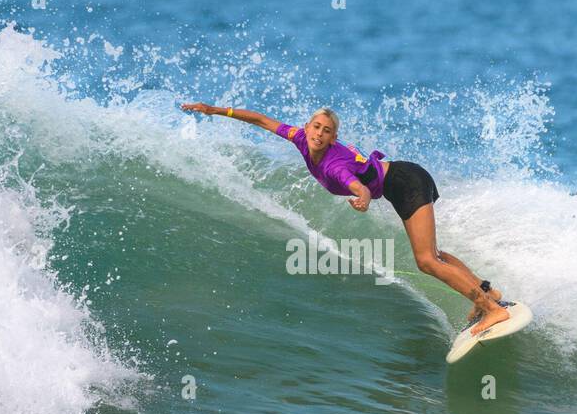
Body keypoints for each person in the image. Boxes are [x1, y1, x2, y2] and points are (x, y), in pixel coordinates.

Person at [180, 102, 508, 334]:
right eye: (316, 127)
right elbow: (263, 121)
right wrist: (216, 111)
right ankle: (487, 294)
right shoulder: (299, 138)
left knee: (425, 260)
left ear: (333, 138)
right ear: (306, 128)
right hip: (402, 181)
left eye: (326, 131)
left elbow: (356, 186)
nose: (319, 134)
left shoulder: (333, 165)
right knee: (433, 255)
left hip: (406, 182)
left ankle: (493, 310)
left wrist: (362, 200)